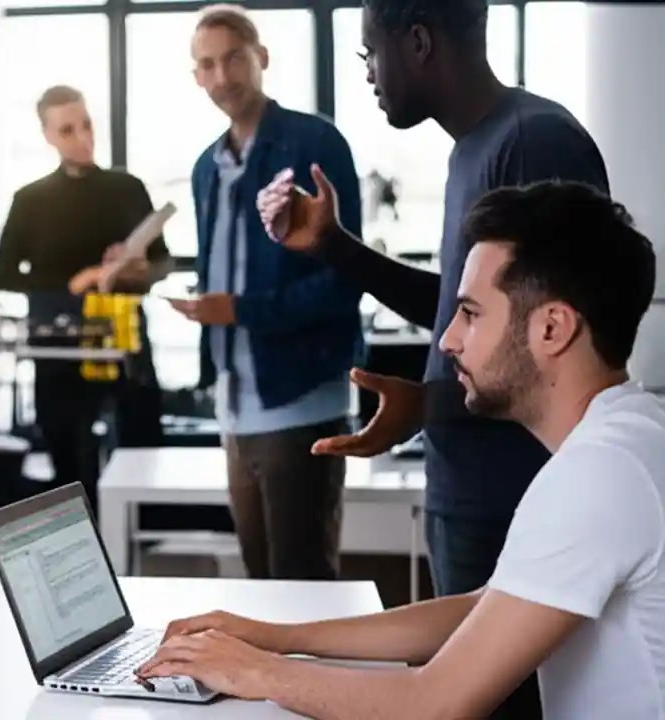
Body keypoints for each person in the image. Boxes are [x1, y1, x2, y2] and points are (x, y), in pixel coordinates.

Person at [141, 180, 664, 720]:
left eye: (470, 313)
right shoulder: (629, 435)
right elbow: (480, 611)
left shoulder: (598, 474)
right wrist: (274, 637)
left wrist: (250, 671)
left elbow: (431, 705)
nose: (448, 340)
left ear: (551, 328)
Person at [256, 2, 608, 713]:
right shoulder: (469, 150)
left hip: (514, 497)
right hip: (466, 490)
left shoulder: (534, 141)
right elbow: (461, 315)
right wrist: (336, 248)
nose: (367, 75)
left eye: (368, 55)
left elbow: (563, 343)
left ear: (417, 42)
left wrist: (430, 402)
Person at [169, 4, 363, 580]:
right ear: (196, 76)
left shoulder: (315, 142)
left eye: (233, 58)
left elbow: (345, 278)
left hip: (301, 398)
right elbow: (224, 267)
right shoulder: (208, 165)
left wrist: (238, 310)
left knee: (301, 582)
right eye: (207, 64)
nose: (222, 75)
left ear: (262, 58)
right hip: (236, 404)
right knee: (260, 582)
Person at [0, 85, 172, 507]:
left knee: (140, 452)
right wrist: (76, 281)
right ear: (48, 136)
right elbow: (3, 275)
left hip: (124, 342)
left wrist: (134, 269)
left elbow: (163, 263)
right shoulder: (30, 200)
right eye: (68, 130)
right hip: (60, 349)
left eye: (86, 124)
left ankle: (139, 556)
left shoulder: (127, 188)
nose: (83, 137)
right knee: (69, 472)